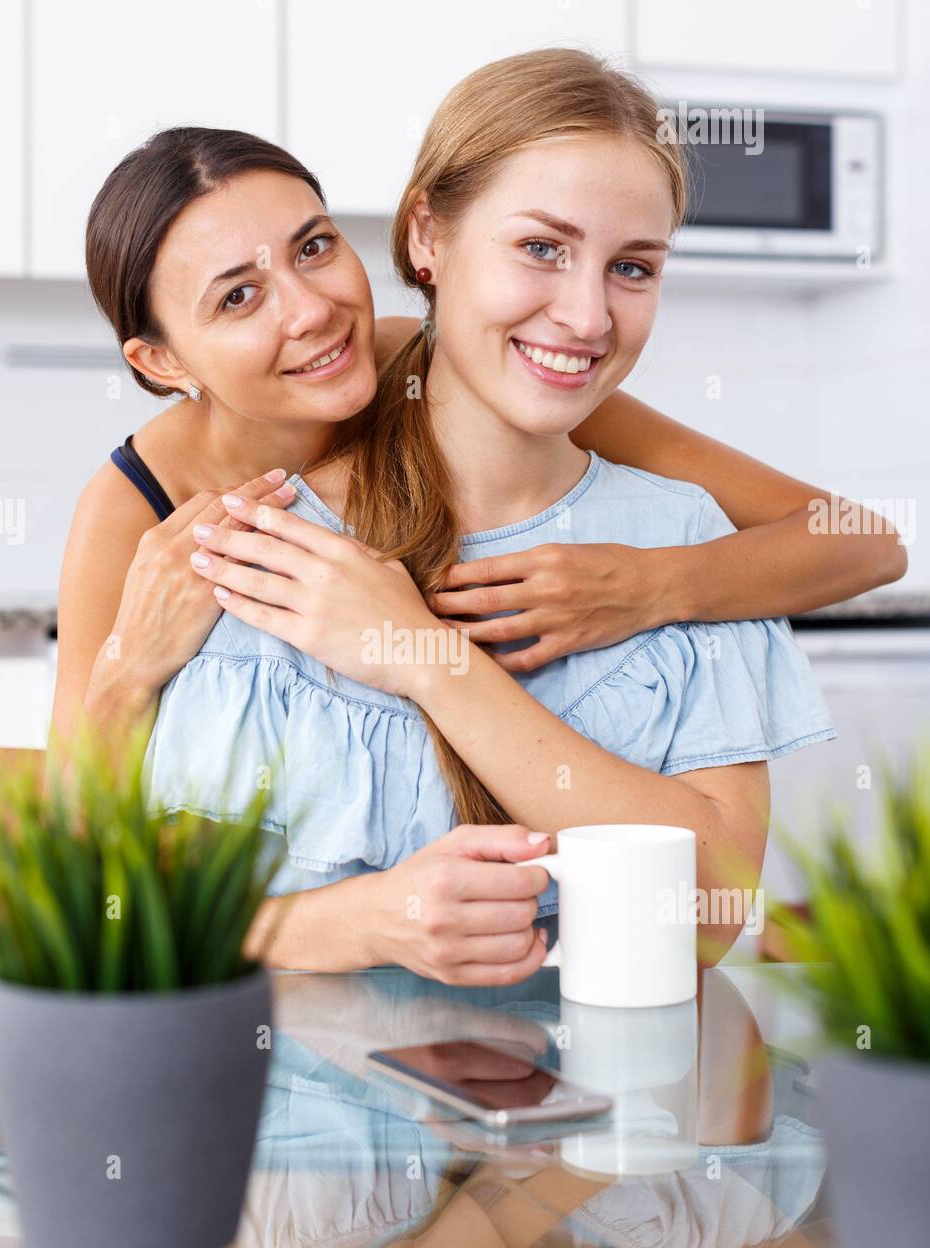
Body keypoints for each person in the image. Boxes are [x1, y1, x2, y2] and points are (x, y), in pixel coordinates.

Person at [143, 48, 843, 983]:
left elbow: (707, 915)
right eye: (541, 248)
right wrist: (358, 924)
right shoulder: (268, 556)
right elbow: (158, 929)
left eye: (631, 267)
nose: (588, 317)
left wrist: (430, 665)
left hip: (614, 1118)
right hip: (304, 1124)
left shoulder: (685, 542)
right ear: (427, 235)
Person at [54, 120, 904, 750]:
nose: (312, 309)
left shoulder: (452, 369)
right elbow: (72, 852)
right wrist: (130, 673)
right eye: (238, 296)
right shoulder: (137, 509)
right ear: (161, 361)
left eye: (314, 247)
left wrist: (650, 586)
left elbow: (860, 545)